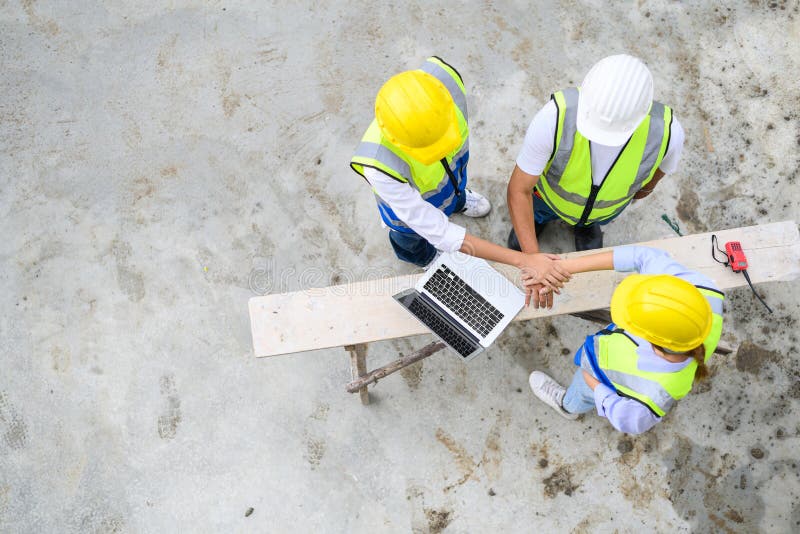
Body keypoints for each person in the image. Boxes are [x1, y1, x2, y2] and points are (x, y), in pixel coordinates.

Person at [351, 56, 570, 300]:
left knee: (451, 191)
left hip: (450, 182)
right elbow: (440, 231)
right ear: (395, 141)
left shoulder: (447, 82)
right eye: (429, 150)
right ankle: (424, 257)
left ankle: (458, 200)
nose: (440, 153)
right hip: (407, 219)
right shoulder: (379, 167)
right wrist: (523, 260)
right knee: (410, 239)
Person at [523, 246, 724, 434]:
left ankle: (567, 406)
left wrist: (592, 382)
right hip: (612, 358)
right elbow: (642, 256)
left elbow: (629, 421)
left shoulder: (648, 401)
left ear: (651, 342)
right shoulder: (700, 292)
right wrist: (563, 268)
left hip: (600, 377)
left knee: (579, 394)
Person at [507, 54, 685, 260]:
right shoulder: (554, 117)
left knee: (591, 220)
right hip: (547, 201)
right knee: (536, 214)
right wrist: (532, 256)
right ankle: (537, 220)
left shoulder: (668, 133)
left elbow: (658, 173)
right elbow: (519, 190)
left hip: (602, 211)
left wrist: (644, 190)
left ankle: (586, 226)